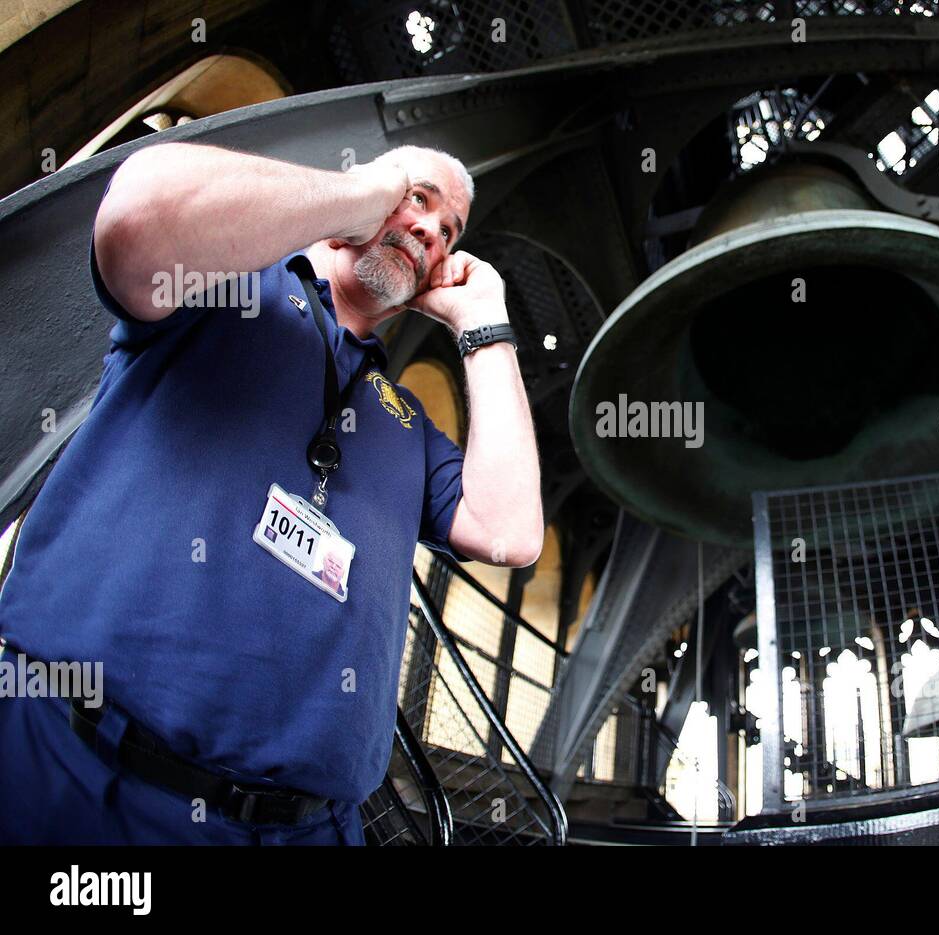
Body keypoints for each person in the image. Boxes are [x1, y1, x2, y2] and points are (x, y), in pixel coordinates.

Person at [0, 141, 544, 844]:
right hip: (73, 774)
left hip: (302, 829)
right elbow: (138, 222)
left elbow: (511, 532)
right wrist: (366, 193)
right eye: (420, 199)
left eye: (450, 232)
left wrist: (486, 324)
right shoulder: (228, 288)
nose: (432, 232)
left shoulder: (406, 424)